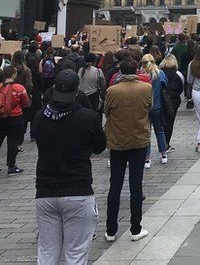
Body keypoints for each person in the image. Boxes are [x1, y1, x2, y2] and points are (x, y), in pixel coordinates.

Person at [32, 70, 107, 265]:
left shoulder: (40, 118)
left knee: (47, 251)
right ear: (77, 92)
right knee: (76, 252)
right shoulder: (88, 117)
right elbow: (100, 147)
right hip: (77, 191)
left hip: (45, 192)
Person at [104, 58, 153, 242]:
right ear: (137, 69)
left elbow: (106, 111)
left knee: (114, 186)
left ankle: (111, 229)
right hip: (139, 141)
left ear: (120, 71)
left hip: (118, 141)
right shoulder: (145, 88)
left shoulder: (112, 91)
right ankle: (135, 228)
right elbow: (149, 108)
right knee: (136, 185)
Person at [0, 66, 31, 176]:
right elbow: (26, 102)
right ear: (14, 75)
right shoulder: (19, 88)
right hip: (15, 117)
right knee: (12, 142)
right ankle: (11, 166)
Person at [159, 54, 185, 151]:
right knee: (170, 122)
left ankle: (162, 142)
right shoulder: (178, 74)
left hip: (162, 99)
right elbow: (182, 87)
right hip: (173, 101)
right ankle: (167, 143)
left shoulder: (160, 72)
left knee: (161, 122)